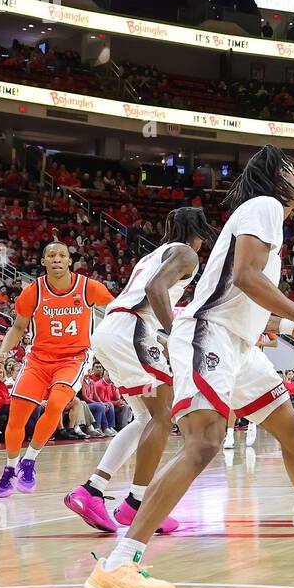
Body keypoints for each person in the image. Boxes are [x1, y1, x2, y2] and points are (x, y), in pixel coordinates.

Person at [84, 145, 294, 588]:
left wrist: (290, 326)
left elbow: (240, 296)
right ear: (276, 178)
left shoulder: (267, 220)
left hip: (239, 346)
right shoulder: (264, 206)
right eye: (292, 169)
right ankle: (117, 563)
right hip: (209, 337)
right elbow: (248, 277)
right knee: (204, 443)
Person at [67, 208, 215, 534]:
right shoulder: (187, 253)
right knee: (163, 415)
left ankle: (92, 490)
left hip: (113, 328)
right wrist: (174, 335)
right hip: (131, 328)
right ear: (199, 231)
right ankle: (136, 504)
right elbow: (155, 290)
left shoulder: (154, 254)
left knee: (147, 419)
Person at [0, 243, 115, 497]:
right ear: (43, 262)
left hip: (73, 358)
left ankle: (30, 461)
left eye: (62, 256)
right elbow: (18, 327)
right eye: (51, 256)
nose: (57, 259)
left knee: (57, 403)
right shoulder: (32, 291)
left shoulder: (89, 287)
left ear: (70, 261)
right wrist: (2, 353)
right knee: (17, 415)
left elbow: (117, 309)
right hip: (38, 359)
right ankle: (10, 467)